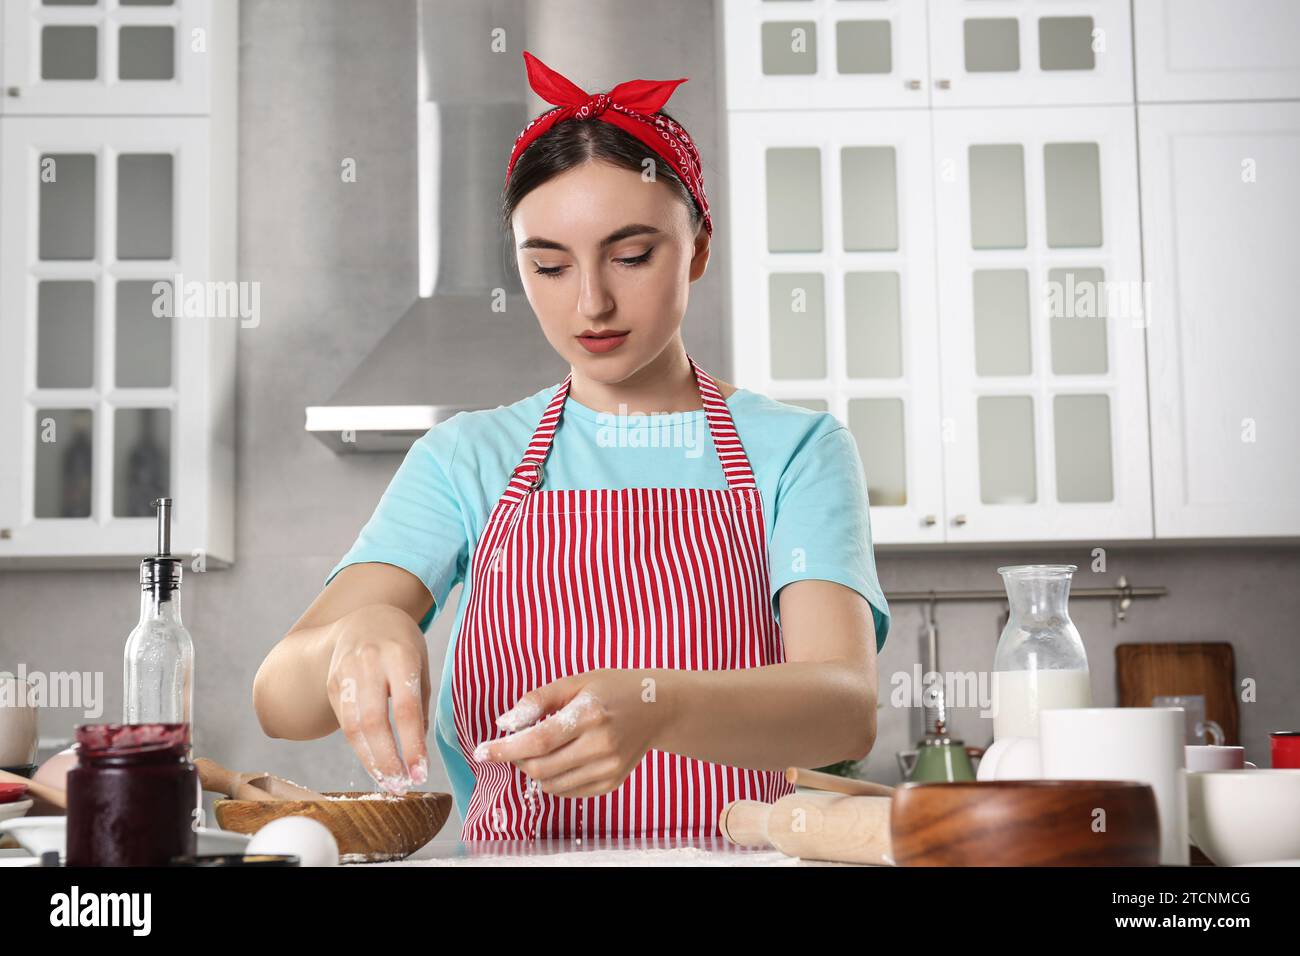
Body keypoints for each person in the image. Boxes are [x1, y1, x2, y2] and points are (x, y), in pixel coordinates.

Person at [254, 50, 891, 840]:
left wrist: (658, 708)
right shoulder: (467, 458)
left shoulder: (797, 450)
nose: (591, 302)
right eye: (549, 266)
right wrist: (352, 637)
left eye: (631, 256)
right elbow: (280, 699)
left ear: (696, 247)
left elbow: (844, 709)